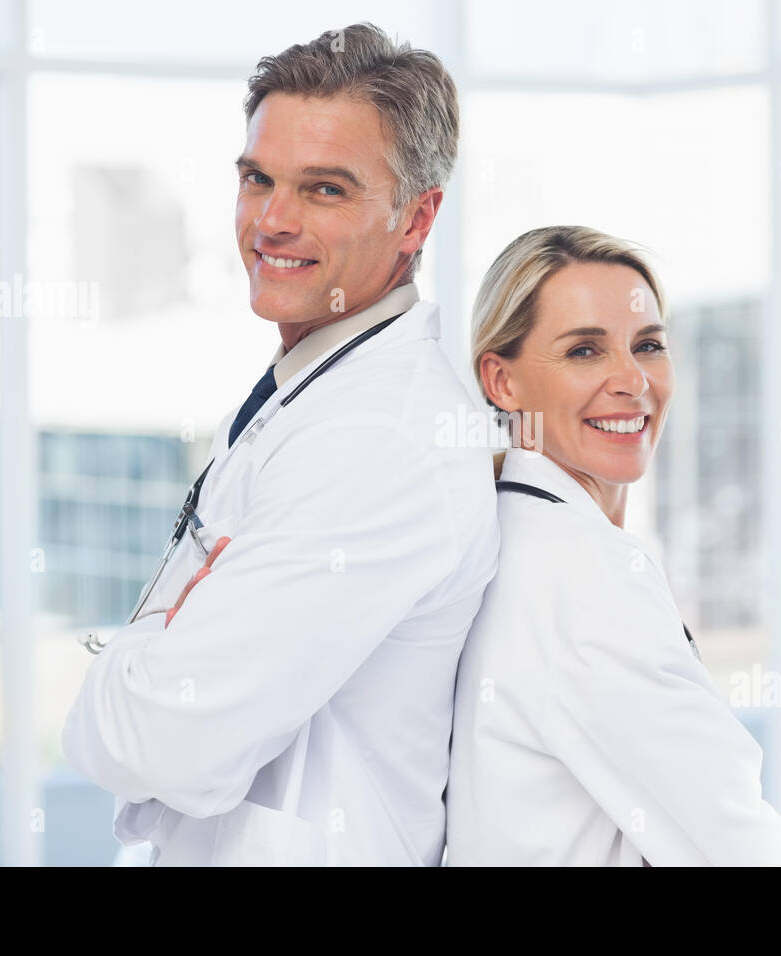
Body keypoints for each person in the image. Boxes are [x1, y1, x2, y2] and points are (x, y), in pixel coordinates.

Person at [62, 22, 498, 866]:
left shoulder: (380, 444)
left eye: (324, 189)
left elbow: (157, 740)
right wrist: (159, 647)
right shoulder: (312, 391)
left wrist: (126, 662)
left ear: (417, 217)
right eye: (258, 178)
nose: (272, 220)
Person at [445, 225, 781, 866]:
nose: (632, 380)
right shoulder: (585, 578)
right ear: (501, 382)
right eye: (585, 351)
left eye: (648, 345)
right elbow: (739, 847)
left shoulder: (500, 541)